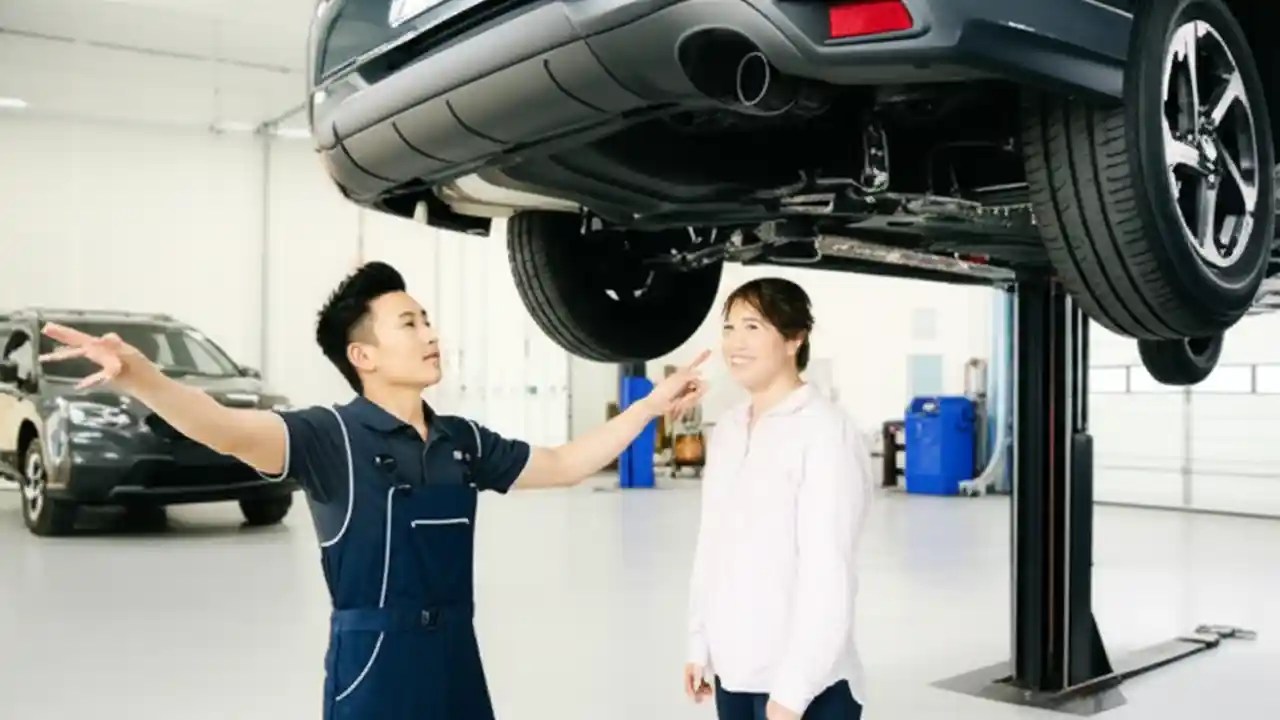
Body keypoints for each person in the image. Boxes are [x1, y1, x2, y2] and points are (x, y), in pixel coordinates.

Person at [39, 261, 708, 720]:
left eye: (427, 319)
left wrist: (648, 407)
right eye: (410, 324)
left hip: (456, 657)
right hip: (375, 666)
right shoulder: (328, 436)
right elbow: (225, 428)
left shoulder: (461, 440)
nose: (431, 333)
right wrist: (142, 377)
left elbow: (562, 463)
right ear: (363, 356)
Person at [682, 278, 872, 720]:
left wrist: (794, 690)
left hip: (807, 686)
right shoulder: (729, 429)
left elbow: (830, 572)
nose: (735, 343)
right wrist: (699, 643)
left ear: (794, 339)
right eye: (729, 328)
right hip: (734, 673)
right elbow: (712, 544)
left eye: (753, 327)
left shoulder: (826, 431)